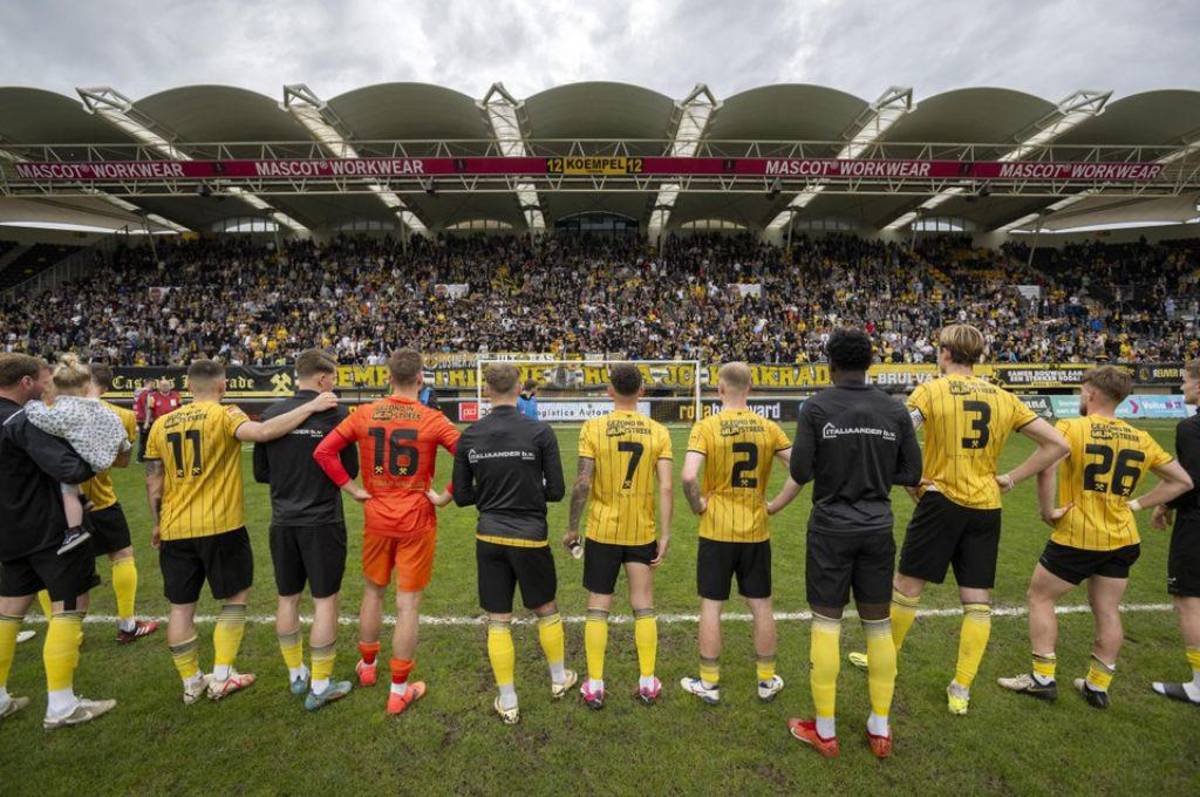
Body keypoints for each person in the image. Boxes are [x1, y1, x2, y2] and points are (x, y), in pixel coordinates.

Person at [848, 323, 1068, 716]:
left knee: (907, 587)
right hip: (986, 505)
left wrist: (911, 480)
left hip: (941, 500)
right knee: (977, 600)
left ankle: (884, 658)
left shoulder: (931, 391)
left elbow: (895, 436)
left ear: (946, 353)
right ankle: (961, 688)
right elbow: (1058, 444)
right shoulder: (1004, 397)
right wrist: (1011, 478)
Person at [145, 359, 338, 705]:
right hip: (220, 524)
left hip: (174, 527)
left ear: (187, 387)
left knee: (180, 608)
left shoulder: (161, 423)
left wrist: (157, 521)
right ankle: (221, 676)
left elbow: (153, 480)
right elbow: (263, 433)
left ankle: (191, 682)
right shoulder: (226, 414)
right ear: (222, 386)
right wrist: (310, 406)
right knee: (234, 599)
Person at [999, 366, 1192, 709]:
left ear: (1090, 394)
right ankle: (1097, 686)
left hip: (1079, 534)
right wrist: (1138, 504)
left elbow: (1047, 466)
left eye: (1081, 391)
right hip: (1122, 537)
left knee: (1040, 597)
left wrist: (1047, 511)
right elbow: (1182, 481)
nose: (1080, 396)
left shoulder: (1071, 428)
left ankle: (1042, 679)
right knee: (1107, 609)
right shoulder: (1140, 437)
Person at [782, 329, 922, 759]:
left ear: (831, 364)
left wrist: (836, 467)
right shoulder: (894, 409)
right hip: (877, 528)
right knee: (878, 625)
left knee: (827, 622)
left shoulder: (817, 406)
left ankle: (825, 732)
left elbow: (800, 471)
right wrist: (876, 473)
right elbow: (912, 472)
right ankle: (880, 729)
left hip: (831, 529)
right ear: (869, 364)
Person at [313, 348, 459, 716]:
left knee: (373, 591)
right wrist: (446, 496)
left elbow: (324, 452)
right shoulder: (434, 419)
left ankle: (367, 667)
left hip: (377, 517)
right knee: (407, 604)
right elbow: (471, 456)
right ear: (421, 378)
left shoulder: (365, 413)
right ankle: (398, 691)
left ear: (388, 377)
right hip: (416, 520)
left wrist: (351, 488)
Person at [443, 362, 569, 724]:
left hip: (489, 536)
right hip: (530, 536)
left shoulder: (470, 435)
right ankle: (559, 679)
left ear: (487, 392)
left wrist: (492, 490)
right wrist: (525, 488)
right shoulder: (540, 431)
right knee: (545, 608)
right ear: (518, 390)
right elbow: (556, 491)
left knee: (498, 619)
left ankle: (508, 701)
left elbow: (462, 496)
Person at [0, 353, 115, 728]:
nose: (48, 384)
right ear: (26, 382)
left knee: (9, 610)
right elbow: (69, 468)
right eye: (44, 378)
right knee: (69, 606)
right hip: (50, 531)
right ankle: (62, 705)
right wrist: (92, 457)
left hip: (8, 532)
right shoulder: (22, 420)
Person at [679, 362, 797, 706]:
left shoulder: (706, 426)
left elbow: (688, 477)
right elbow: (802, 469)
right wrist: (775, 505)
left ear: (719, 389)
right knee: (761, 605)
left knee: (711, 605)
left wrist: (698, 505)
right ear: (750, 389)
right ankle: (766, 680)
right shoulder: (769, 427)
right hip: (755, 530)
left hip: (716, 530)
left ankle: (709, 682)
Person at [254, 349, 357, 711]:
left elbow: (261, 472)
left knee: (288, 597)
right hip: (322, 520)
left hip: (283, 519)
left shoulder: (272, 414)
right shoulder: (336, 413)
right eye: (334, 378)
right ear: (322, 378)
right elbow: (350, 470)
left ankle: (296, 674)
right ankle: (321, 684)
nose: (335, 384)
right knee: (325, 600)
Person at [564, 363, 672, 708]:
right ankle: (647, 682)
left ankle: (595, 684)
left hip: (602, 530)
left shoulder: (593, 428)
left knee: (598, 604)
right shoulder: (658, 431)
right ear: (641, 391)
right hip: (641, 530)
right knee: (643, 603)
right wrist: (665, 534)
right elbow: (666, 487)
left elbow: (583, 482)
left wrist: (572, 528)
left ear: (610, 390)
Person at [80, 363, 159, 643]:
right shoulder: (122, 416)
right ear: (107, 386)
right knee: (122, 554)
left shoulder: (53, 409)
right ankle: (127, 625)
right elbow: (123, 462)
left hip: (57, 502)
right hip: (100, 499)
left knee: (59, 566)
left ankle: (65, 632)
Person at [24, 355, 132, 555]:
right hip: (98, 462)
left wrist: (30, 405)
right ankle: (84, 499)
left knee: (67, 489)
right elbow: (119, 433)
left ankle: (74, 530)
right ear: (86, 385)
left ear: (56, 386)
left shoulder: (61, 411)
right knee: (121, 552)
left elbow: (40, 418)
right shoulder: (101, 409)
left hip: (77, 464)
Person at [1150, 359, 1200, 705]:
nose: (1182, 386)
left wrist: (1161, 504)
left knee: (1189, 598)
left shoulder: (1191, 428)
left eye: (1185, 380)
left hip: (1196, 522)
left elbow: (1190, 481)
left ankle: (1198, 685)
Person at [133, 378, 155, 462]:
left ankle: (141, 457)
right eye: (152, 384)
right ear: (148, 383)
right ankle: (141, 458)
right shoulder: (146, 393)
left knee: (143, 439)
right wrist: (147, 421)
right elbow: (146, 406)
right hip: (144, 418)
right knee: (146, 439)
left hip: (138, 417)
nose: (153, 386)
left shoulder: (137, 392)